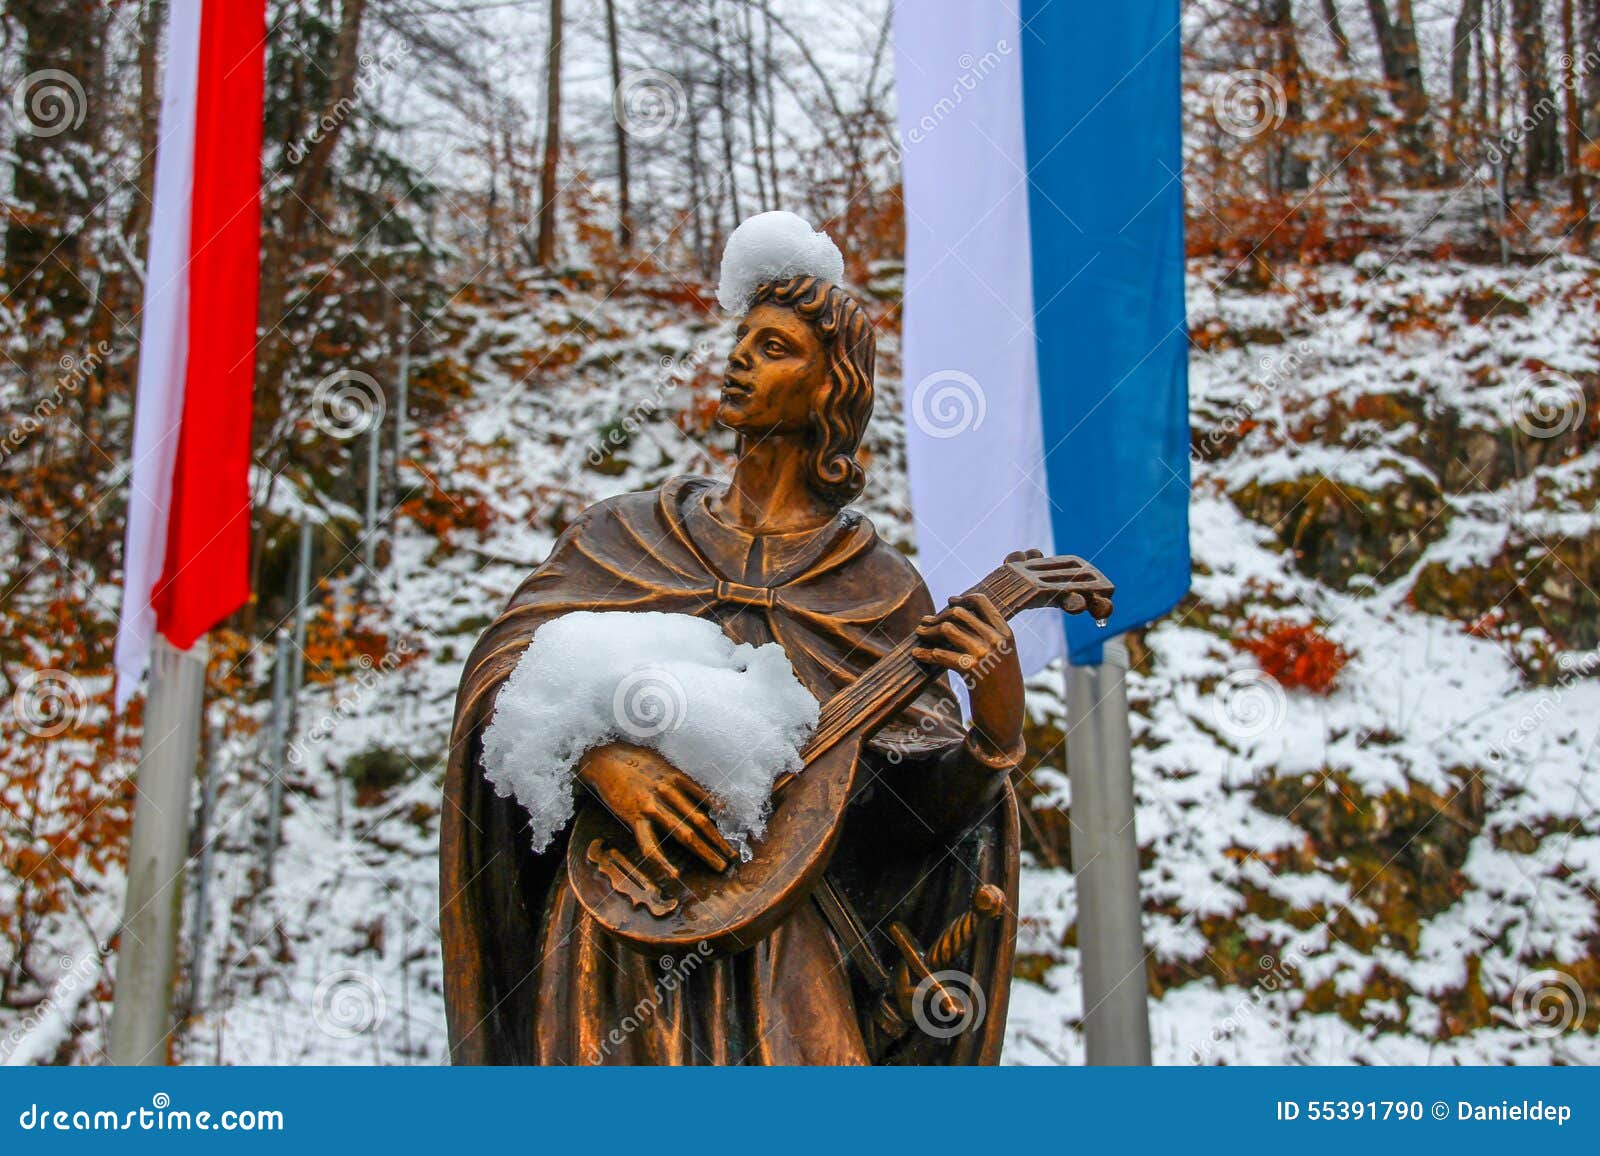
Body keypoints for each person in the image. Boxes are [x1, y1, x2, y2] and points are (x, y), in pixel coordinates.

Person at [441, 271, 1027, 1064]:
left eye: (775, 347)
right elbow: (506, 674)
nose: (740, 358)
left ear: (831, 389)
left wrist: (993, 734)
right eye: (742, 339)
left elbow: (909, 822)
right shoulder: (626, 536)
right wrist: (597, 758)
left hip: (785, 938)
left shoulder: (876, 587)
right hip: (616, 925)